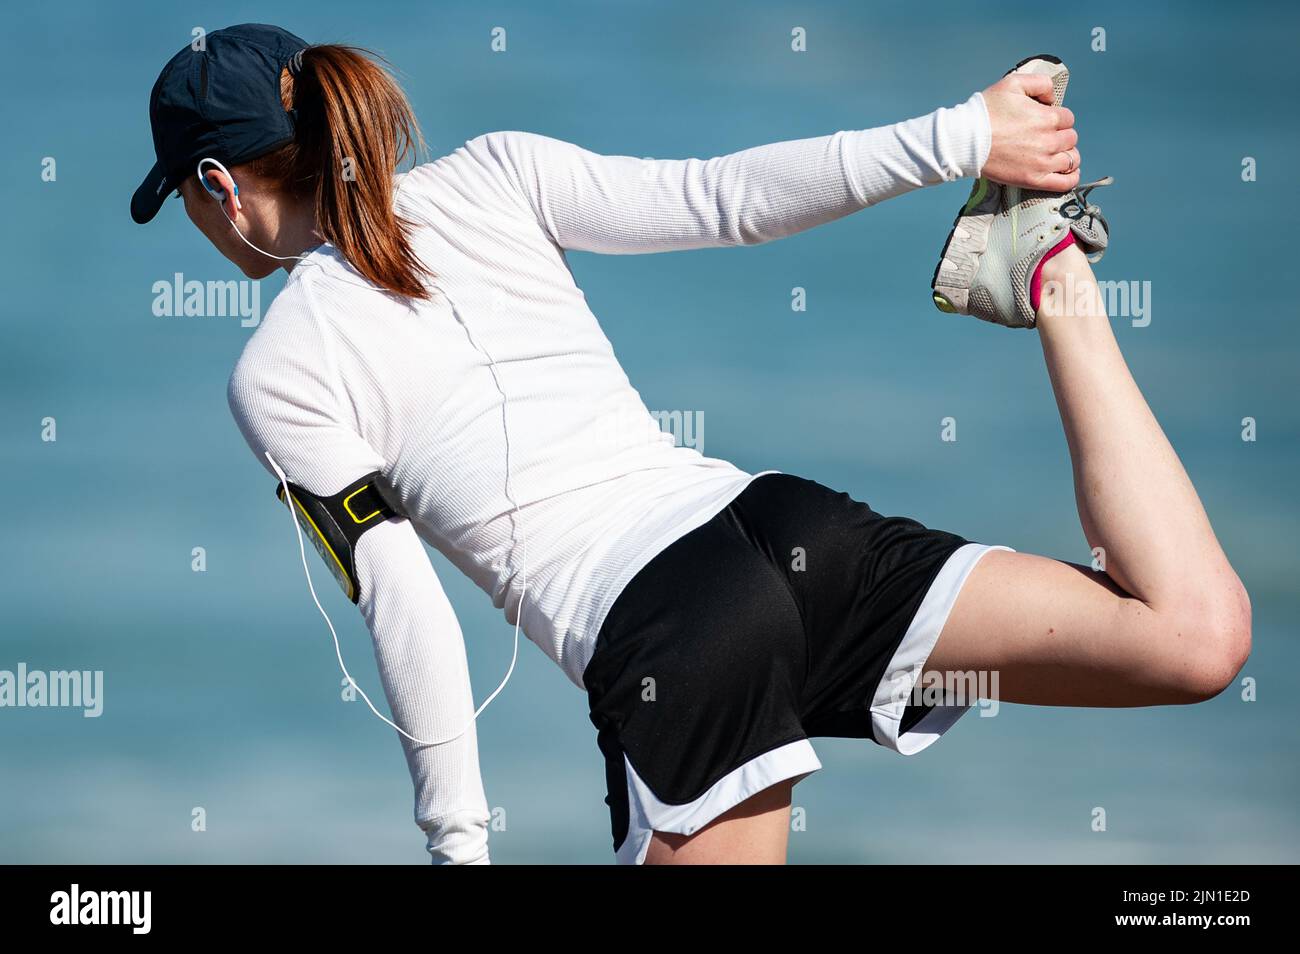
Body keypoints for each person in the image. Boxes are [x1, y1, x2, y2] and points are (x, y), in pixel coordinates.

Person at [131, 25, 1250, 865]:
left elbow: (403, 606)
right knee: (1190, 640)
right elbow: (726, 200)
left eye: (181, 197)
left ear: (220, 187)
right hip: (780, 530)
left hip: (681, 638)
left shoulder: (277, 370)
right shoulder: (496, 172)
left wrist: (457, 849)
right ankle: (1051, 276)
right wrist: (959, 135)